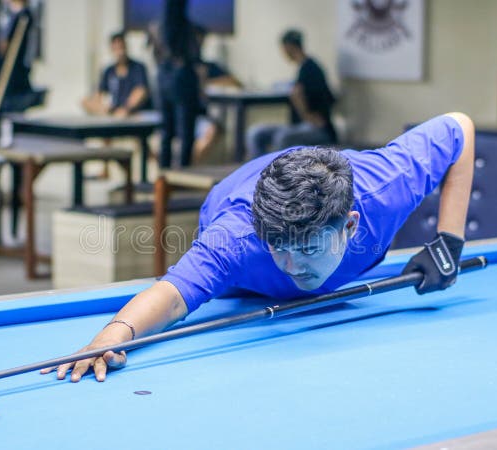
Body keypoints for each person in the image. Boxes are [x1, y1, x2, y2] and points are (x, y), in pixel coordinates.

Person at [41, 112, 475, 382]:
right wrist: (115, 334)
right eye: (278, 247)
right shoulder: (237, 239)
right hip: (239, 250)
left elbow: (459, 127)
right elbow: (172, 295)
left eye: (308, 248)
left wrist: (449, 240)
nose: (291, 264)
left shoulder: (388, 185)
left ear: (350, 224)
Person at [246, 29, 337, 158]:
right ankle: (259, 167)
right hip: (298, 126)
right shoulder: (302, 68)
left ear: (289, 47)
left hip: (319, 129)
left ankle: (277, 169)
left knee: (282, 137)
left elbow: (299, 95)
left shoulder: (311, 68)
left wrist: (307, 116)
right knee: (255, 133)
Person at [151, 0, 202, 168]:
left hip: (163, 81)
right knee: (186, 134)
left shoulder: (156, 27)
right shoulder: (188, 28)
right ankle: (183, 174)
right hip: (183, 81)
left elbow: (156, 56)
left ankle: (163, 174)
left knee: (166, 133)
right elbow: (195, 56)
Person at [193, 25, 243, 163]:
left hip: (204, 118)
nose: (198, 45)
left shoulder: (208, 66)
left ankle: (189, 167)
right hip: (184, 117)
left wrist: (205, 82)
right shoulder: (180, 68)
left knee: (212, 130)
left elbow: (235, 82)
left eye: (201, 41)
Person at [82, 32, 152, 117]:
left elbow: (140, 91)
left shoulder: (138, 67)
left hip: (133, 111)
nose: (119, 52)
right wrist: (100, 106)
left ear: (126, 47)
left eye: (121, 47)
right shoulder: (109, 71)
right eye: (116, 48)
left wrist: (126, 109)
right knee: (85, 102)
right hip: (115, 110)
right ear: (111, 49)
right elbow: (99, 94)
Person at [0, 0, 37, 112]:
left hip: (17, 65)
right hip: (14, 66)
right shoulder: (12, 14)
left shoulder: (23, 16)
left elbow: (6, 43)